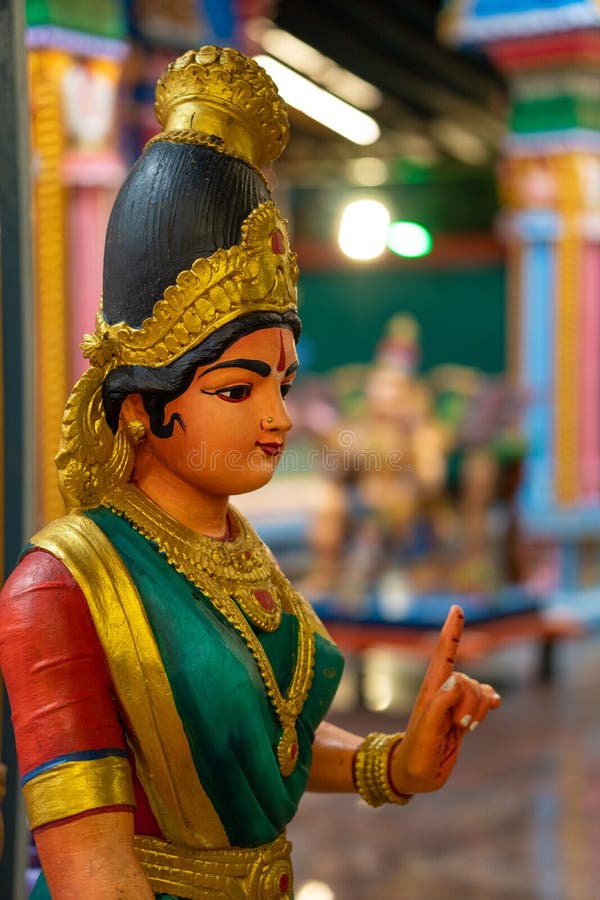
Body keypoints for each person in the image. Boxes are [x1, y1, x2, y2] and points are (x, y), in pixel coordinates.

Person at [0, 46, 500, 900]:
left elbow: (267, 747)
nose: (278, 418)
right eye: (238, 388)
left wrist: (391, 765)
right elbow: (92, 868)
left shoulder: (230, 545)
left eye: (284, 384)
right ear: (140, 404)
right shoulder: (63, 589)